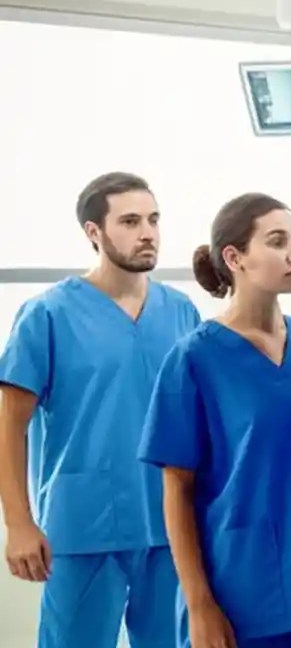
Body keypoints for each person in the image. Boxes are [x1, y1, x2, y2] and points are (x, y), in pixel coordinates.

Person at [0, 172, 201, 648]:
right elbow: (10, 426)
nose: (147, 232)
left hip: (169, 526)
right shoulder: (47, 314)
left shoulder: (181, 312)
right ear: (95, 232)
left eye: (153, 219)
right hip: (82, 525)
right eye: (130, 221)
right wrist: (19, 524)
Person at [137, 193, 291, 648]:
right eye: (277, 240)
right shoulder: (194, 358)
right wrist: (200, 603)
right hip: (239, 593)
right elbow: (176, 490)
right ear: (235, 257)